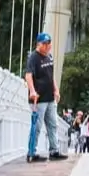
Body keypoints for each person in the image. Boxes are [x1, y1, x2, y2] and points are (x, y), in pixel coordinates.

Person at [24, 32, 67, 163]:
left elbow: (51, 76)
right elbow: (28, 75)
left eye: (49, 43)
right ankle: (31, 152)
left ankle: (54, 150)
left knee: (53, 124)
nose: (48, 46)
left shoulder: (49, 57)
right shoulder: (33, 57)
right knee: (36, 126)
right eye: (45, 44)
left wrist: (56, 90)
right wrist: (32, 91)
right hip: (39, 98)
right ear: (39, 44)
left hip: (49, 97)